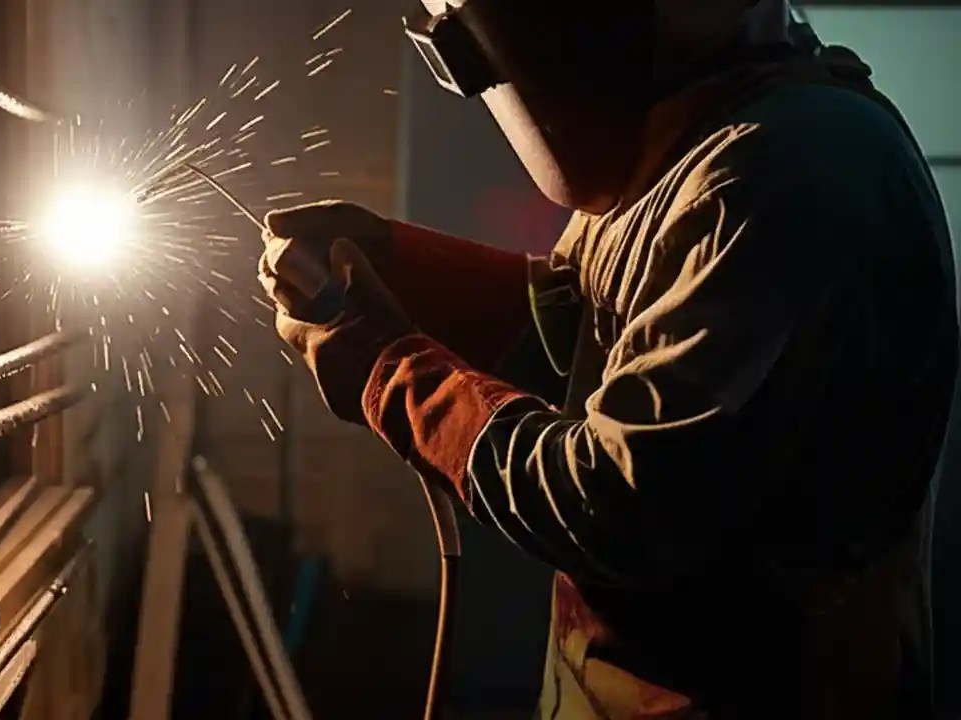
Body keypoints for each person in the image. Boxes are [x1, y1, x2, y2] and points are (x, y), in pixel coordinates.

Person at [258, 1, 958, 718]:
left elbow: (616, 501)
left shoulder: (784, 171)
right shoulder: (685, 132)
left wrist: (390, 374)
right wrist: (405, 267)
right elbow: (582, 332)